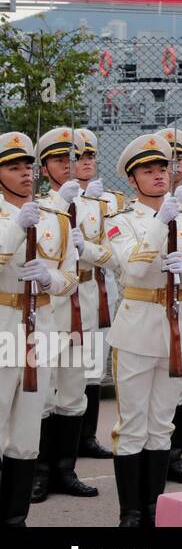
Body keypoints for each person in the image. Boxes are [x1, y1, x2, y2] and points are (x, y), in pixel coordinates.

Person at [104, 134, 182, 526]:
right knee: (132, 426)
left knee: (161, 425)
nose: (158, 175)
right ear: (132, 181)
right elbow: (133, 268)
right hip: (136, 331)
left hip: (176, 330)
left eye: (162, 168)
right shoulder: (120, 222)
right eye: (147, 171)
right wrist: (159, 222)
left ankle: (153, 508)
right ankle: (130, 514)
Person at [0, 132, 76, 527]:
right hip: (2, 331)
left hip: (39, 332)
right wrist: (15, 227)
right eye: (14, 167)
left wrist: (49, 280)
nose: (26, 173)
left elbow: (70, 276)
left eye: (28, 166)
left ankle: (16, 518)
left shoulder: (55, 219)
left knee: (27, 433)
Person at [31, 127, 101, 501]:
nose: (69, 166)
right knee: (43, 393)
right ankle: (40, 472)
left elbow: (108, 255)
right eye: (60, 161)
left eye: (73, 159)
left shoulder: (96, 205)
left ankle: (65, 469)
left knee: (74, 390)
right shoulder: (38, 209)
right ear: (45, 169)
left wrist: (86, 246)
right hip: (47, 309)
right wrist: (60, 203)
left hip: (83, 303)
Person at [70, 129, 117, 462]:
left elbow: (112, 250)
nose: (85, 163)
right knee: (67, 366)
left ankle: (87, 436)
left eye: (89, 157)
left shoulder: (111, 201)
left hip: (100, 286)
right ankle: (64, 443)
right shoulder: (56, 199)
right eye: (77, 158)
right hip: (69, 288)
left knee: (94, 365)